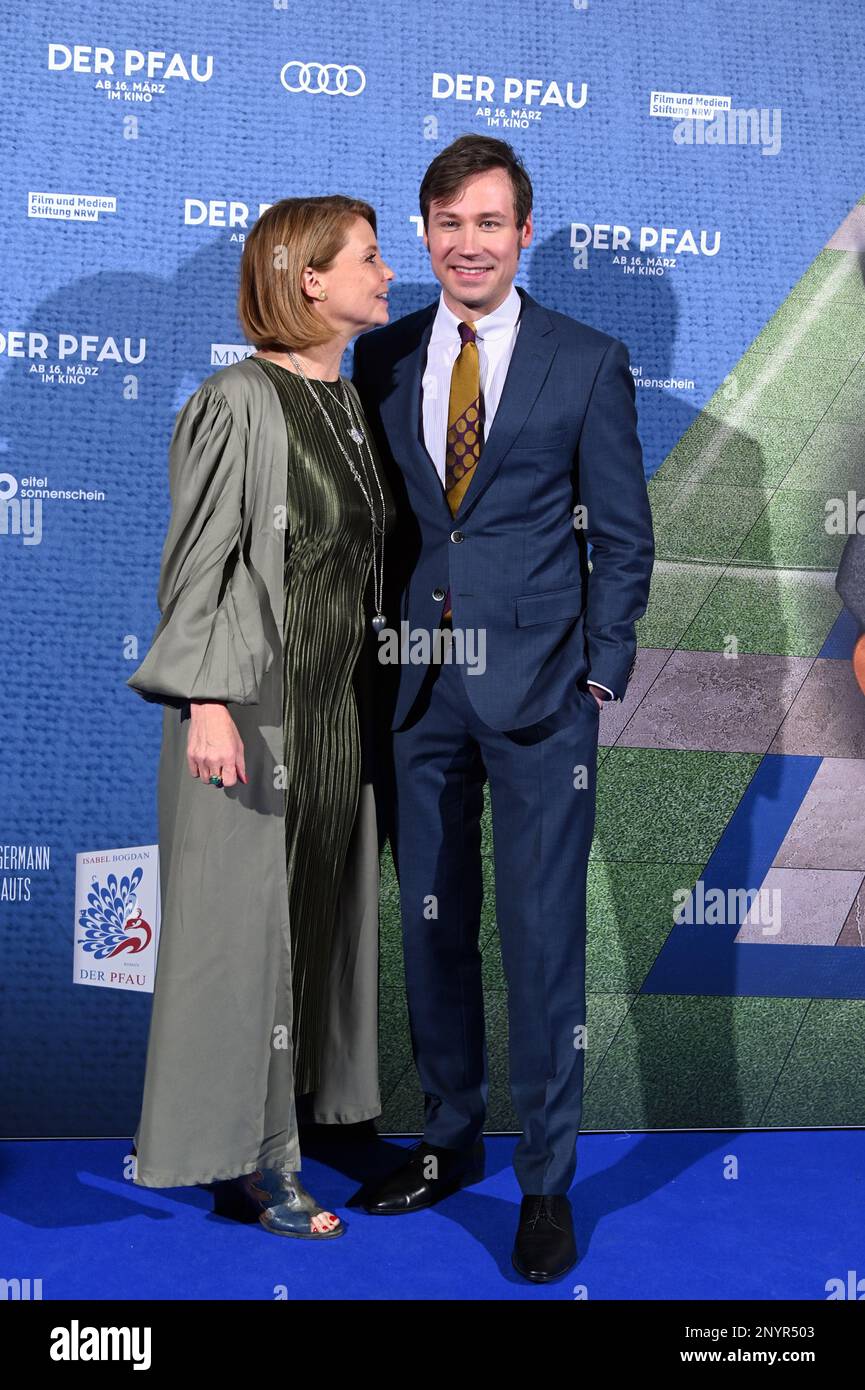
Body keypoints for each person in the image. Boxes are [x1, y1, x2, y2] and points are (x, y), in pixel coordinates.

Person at [352, 134, 654, 1281]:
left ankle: (544, 1181)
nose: (467, 243)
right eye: (447, 222)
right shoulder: (377, 356)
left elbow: (623, 535)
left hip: (540, 699)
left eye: (488, 222)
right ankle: (444, 1139)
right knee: (430, 926)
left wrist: (601, 667)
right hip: (417, 685)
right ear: (424, 233)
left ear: (524, 233)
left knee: (540, 946)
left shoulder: (586, 359)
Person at [126, 195, 397, 1239]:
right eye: (369, 259)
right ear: (307, 281)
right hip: (248, 712)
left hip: (334, 719)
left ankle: (289, 1126)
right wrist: (204, 700)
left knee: (310, 931)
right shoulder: (237, 399)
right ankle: (248, 1166)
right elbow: (201, 561)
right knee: (243, 942)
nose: (389, 273)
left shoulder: (346, 402)